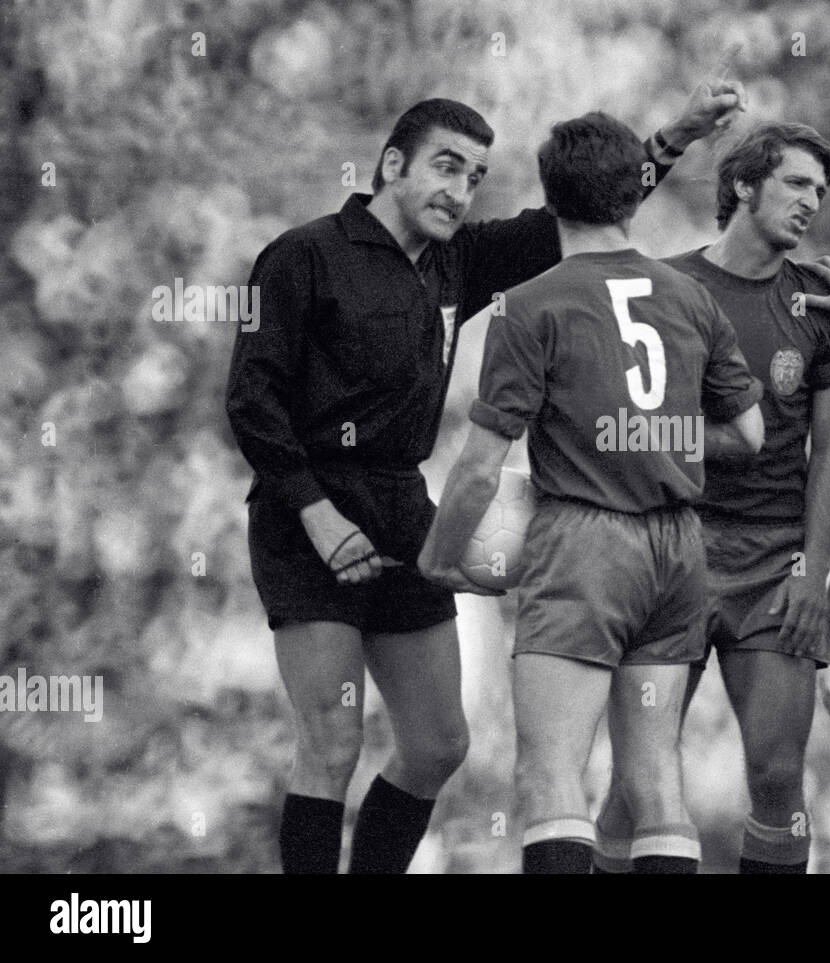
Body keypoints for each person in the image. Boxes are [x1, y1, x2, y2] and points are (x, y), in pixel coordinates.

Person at [225, 86, 744, 875]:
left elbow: (590, 202)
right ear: (391, 165)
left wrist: (676, 136)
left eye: (474, 176)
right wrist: (316, 512)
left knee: (437, 744)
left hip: (403, 508)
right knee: (331, 741)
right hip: (308, 519)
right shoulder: (302, 254)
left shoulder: (456, 260)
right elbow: (252, 402)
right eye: (445, 167)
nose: (460, 192)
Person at [417, 111, 764, 875]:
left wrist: (440, 559)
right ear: (633, 197)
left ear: (551, 197)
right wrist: (655, 438)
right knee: (653, 782)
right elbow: (748, 435)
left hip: (585, 546)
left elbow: (479, 468)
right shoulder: (690, 292)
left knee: (550, 776)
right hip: (679, 550)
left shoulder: (531, 304)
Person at [594, 122, 830, 874]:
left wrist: (811, 572)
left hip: (773, 562)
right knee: (638, 784)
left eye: (820, 191)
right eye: (796, 183)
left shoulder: (818, 301)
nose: (810, 202)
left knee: (777, 776)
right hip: (676, 550)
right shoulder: (664, 287)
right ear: (740, 187)